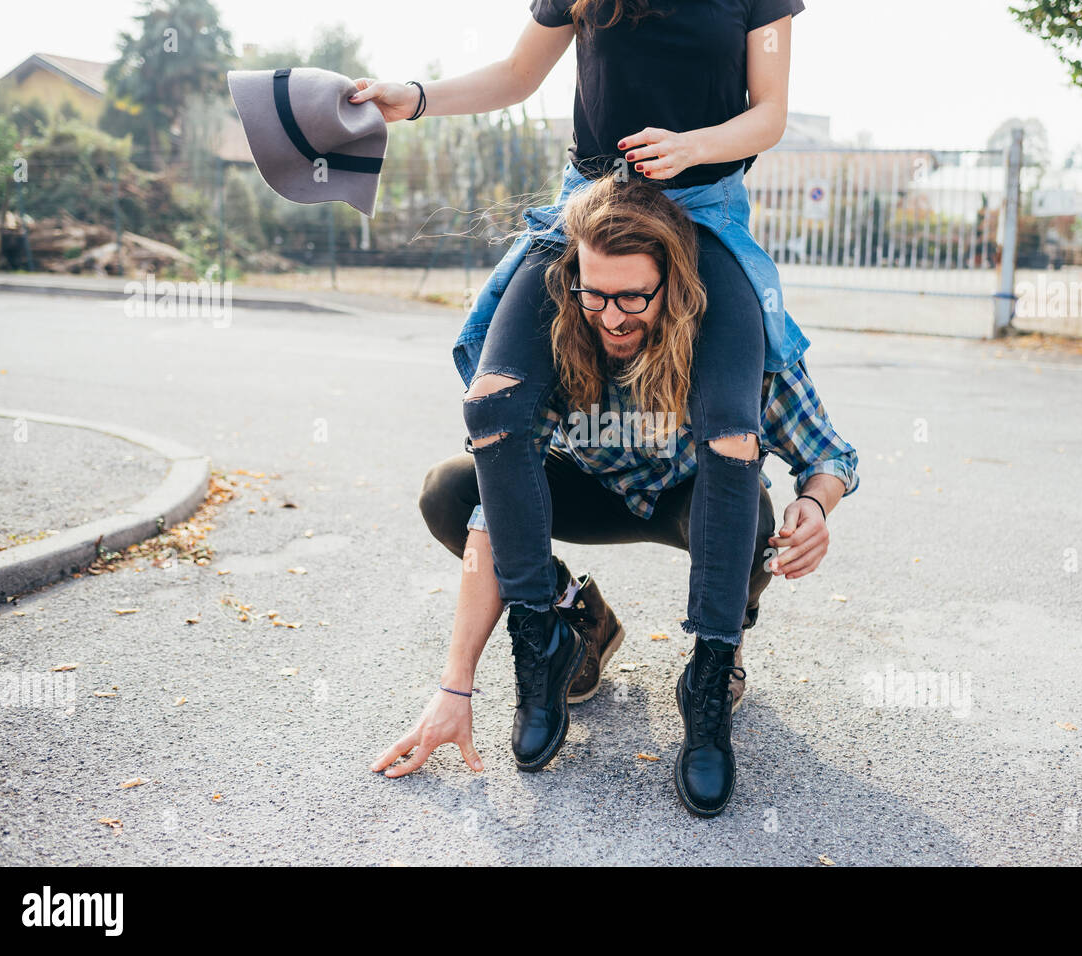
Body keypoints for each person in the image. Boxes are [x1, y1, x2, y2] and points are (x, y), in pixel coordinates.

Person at [351, 3, 813, 745]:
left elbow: (769, 115)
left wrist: (691, 148)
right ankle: (544, 646)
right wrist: (417, 97)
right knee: (494, 407)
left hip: (703, 207)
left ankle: (709, 680)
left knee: (731, 429)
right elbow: (516, 73)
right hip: (591, 213)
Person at [371, 176, 858, 817]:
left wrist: (817, 505)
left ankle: (714, 669)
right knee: (451, 493)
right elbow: (501, 501)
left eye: (632, 297)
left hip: (689, 500)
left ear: (673, 283)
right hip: (588, 490)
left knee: (755, 511)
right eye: (595, 295)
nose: (612, 317)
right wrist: (455, 684)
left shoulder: (733, 333)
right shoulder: (561, 327)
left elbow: (829, 456)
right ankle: (571, 623)